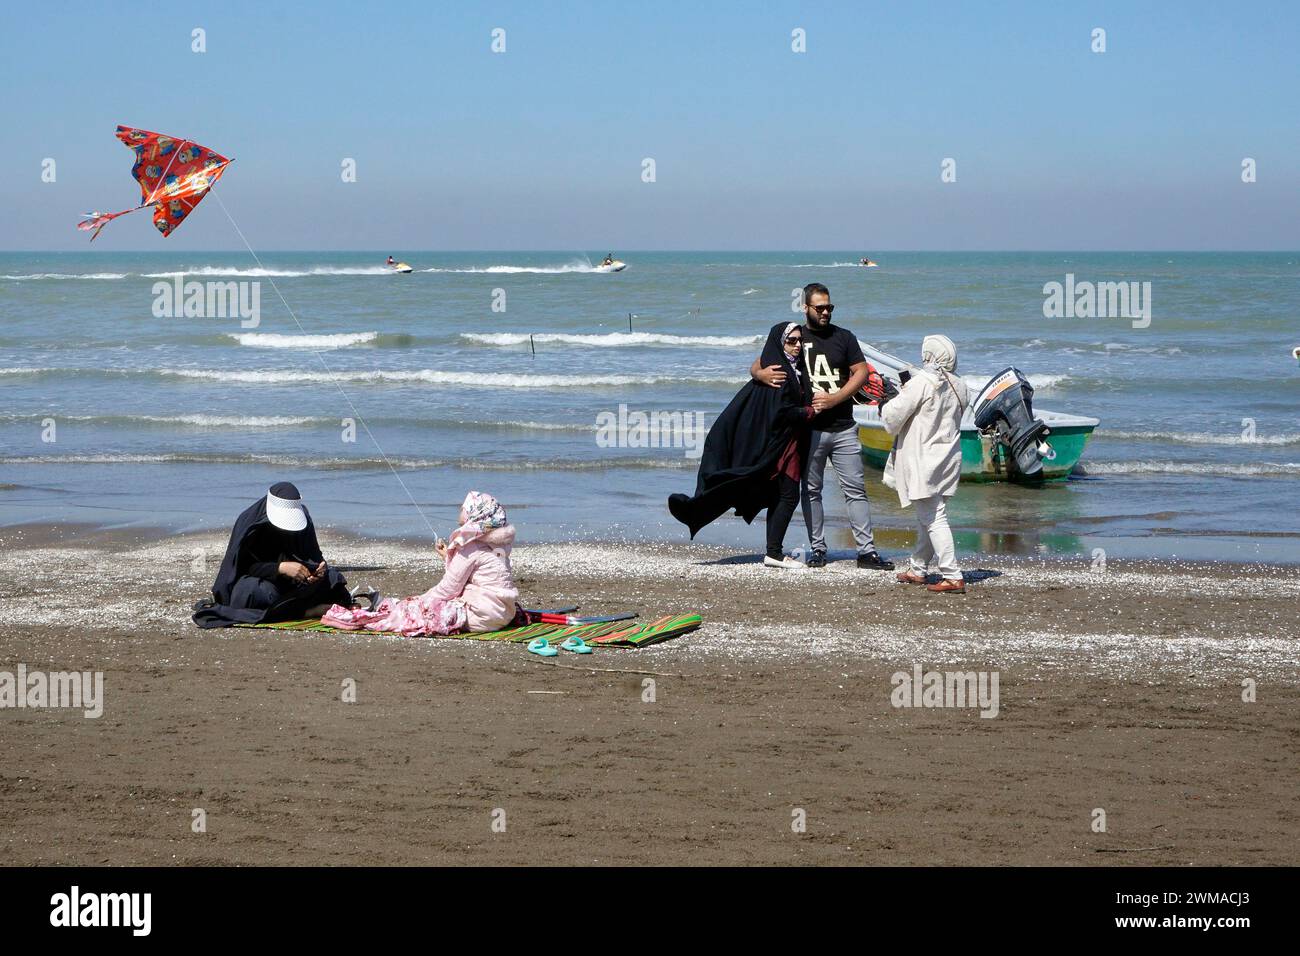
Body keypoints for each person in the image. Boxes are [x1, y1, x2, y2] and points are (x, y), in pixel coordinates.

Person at [750, 283, 894, 570]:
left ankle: (866, 552)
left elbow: (861, 372)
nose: (825, 312)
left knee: (855, 490)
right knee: (811, 491)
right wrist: (760, 374)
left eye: (829, 307)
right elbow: (760, 362)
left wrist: (836, 398)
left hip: (844, 427)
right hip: (809, 430)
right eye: (820, 308)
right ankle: (818, 549)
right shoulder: (797, 338)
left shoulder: (844, 337)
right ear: (805, 308)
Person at [669, 322, 815, 568]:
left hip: (785, 445)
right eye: (792, 340)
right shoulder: (779, 372)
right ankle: (774, 553)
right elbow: (781, 413)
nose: (798, 345)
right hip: (780, 449)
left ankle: (774, 552)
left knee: (782, 495)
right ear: (780, 343)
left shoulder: (791, 367)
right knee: (788, 496)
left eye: (801, 340)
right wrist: (811, 411)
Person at [322, 491, 519, 636]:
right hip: (504, 612)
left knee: (420, 610)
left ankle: (383, 609)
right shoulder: (495, 545)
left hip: (482, 615)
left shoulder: (470, 547)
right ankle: (385, 604)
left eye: (464, 507)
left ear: (474, 514)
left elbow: (448, 589)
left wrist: (419, 601)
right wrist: (448, 557)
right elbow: (477, 573)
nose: (460, 510)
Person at [879, 334, 969, 593]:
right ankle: (918, 569)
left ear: (928, 355)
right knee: (928, 516)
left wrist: (887, 400)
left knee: (933, 518)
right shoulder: (960, 385)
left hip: (923, 459)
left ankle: (952, 575)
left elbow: (893, 418)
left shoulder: (922, 382)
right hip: (949, 457)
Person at [192, 482, 352, 628]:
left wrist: (316, 571)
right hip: (265, 585)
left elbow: (313, 556)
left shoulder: (304, 518)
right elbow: (242, 568)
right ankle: (306, 611)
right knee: (249, 591)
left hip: (295, 586)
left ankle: (293, 609)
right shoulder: (251, 523)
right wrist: (280, 568)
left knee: (333, 578)